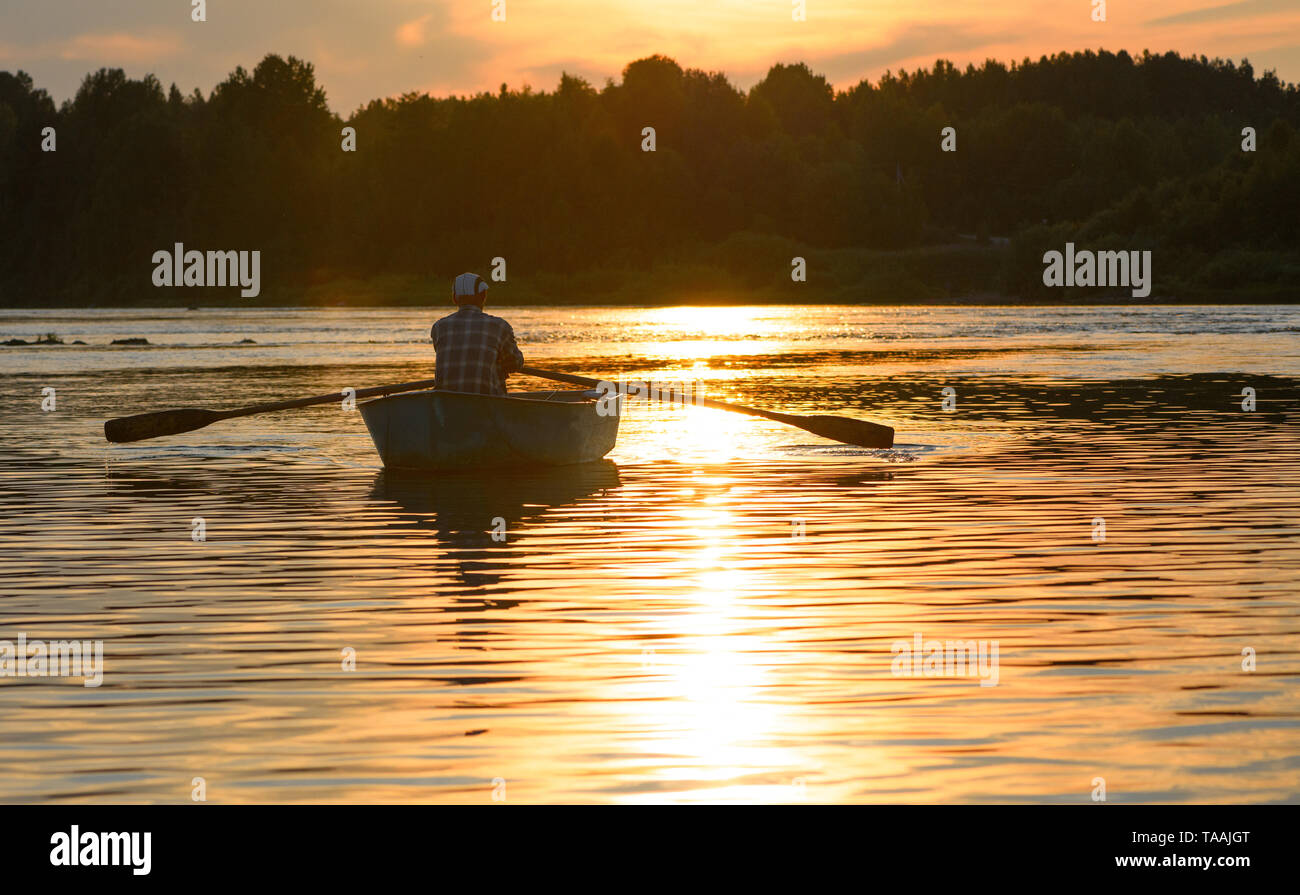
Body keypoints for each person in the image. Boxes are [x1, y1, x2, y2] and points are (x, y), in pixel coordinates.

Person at [431, 273, 524, 395]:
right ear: (483, 296)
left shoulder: (439, 327)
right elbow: (515, 364)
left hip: (445, 406)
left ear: (454, 298)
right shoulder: (499, 326)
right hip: (489, 405)